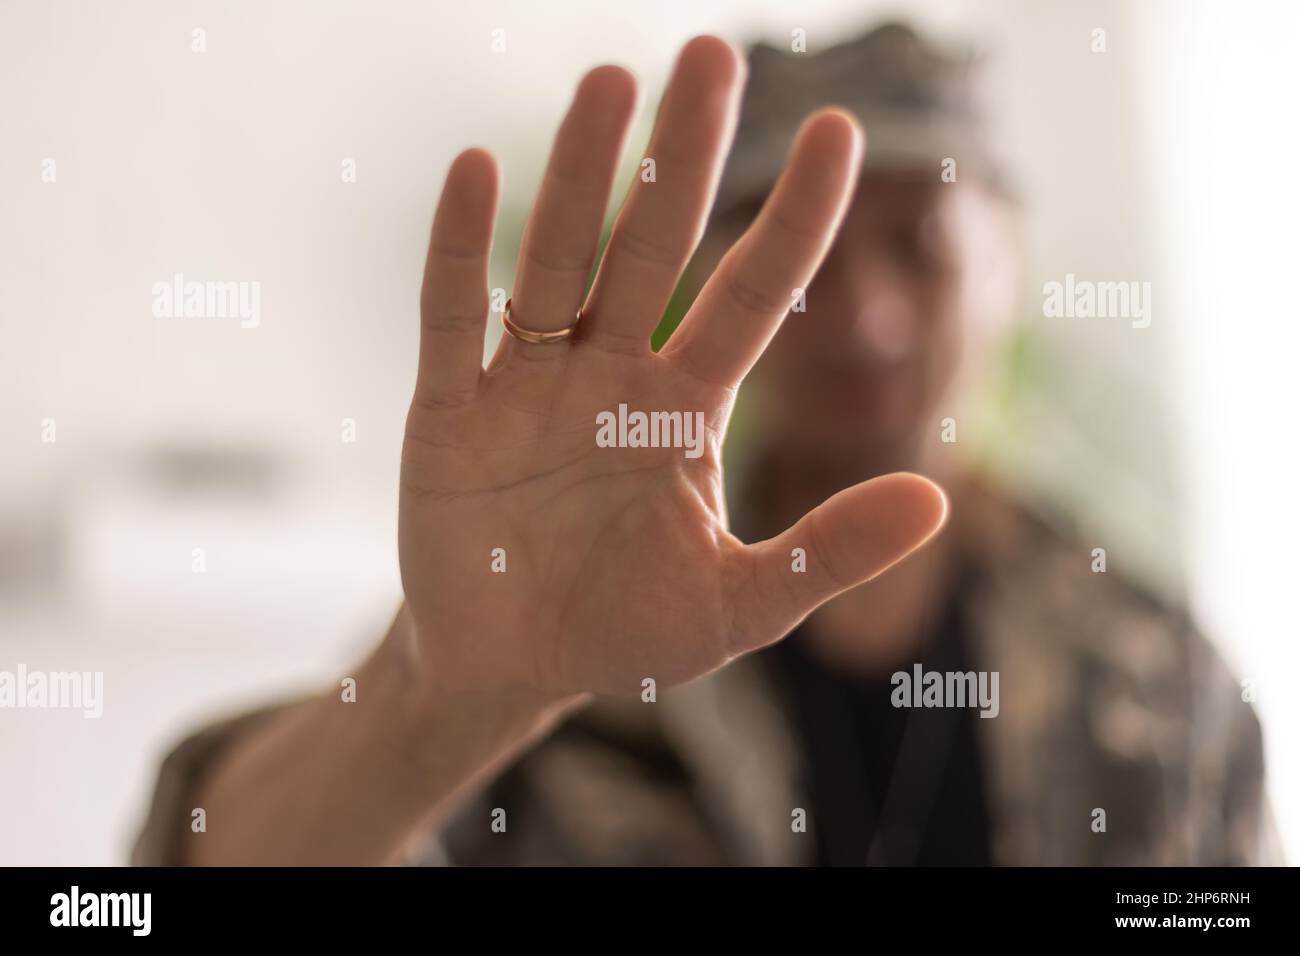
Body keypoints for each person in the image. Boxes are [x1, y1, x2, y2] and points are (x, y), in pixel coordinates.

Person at [132, 23, 1280, 866]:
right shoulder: (579, 597)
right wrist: (447, 706)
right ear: (711, 286)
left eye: (919, 245)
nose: (865, 313)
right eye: (803, 260)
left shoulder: (1153, 672)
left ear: (1005, 270)